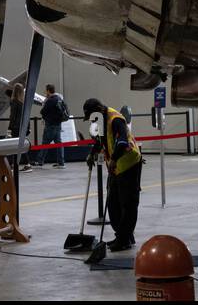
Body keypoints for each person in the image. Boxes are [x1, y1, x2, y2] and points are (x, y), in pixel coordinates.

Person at [82, 98, 142, 252]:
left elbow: (122, 142)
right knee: (113, 203)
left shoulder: (115, 119)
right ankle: (123, 236)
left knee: (128, 204)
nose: (92, 121)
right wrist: (91, 154)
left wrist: (114, 160)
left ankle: (124, 240)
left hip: (129, 163)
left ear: (98, 109)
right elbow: (100, 141)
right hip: (116, 167)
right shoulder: (101, 119)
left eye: (92, 117)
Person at [37, 84, 69, 168]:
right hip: (58, 124)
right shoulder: (59, 99)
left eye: (45, 90)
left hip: (50, 125)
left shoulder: (50, 100)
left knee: (45, 143)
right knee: (59, 143)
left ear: (48, 91)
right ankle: (61, 163)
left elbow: (42, 111)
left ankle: (40, 161)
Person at [8, 83, 32, 172]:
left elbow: (13, 116)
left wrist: (9, 128)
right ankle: (27, 164)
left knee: (13, 146)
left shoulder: (14, 102)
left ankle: (11, 165)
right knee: (21, 146)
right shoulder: (24, 102)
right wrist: (28, 127)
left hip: (16, 127)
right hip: (24, 127)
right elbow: (27, 115)